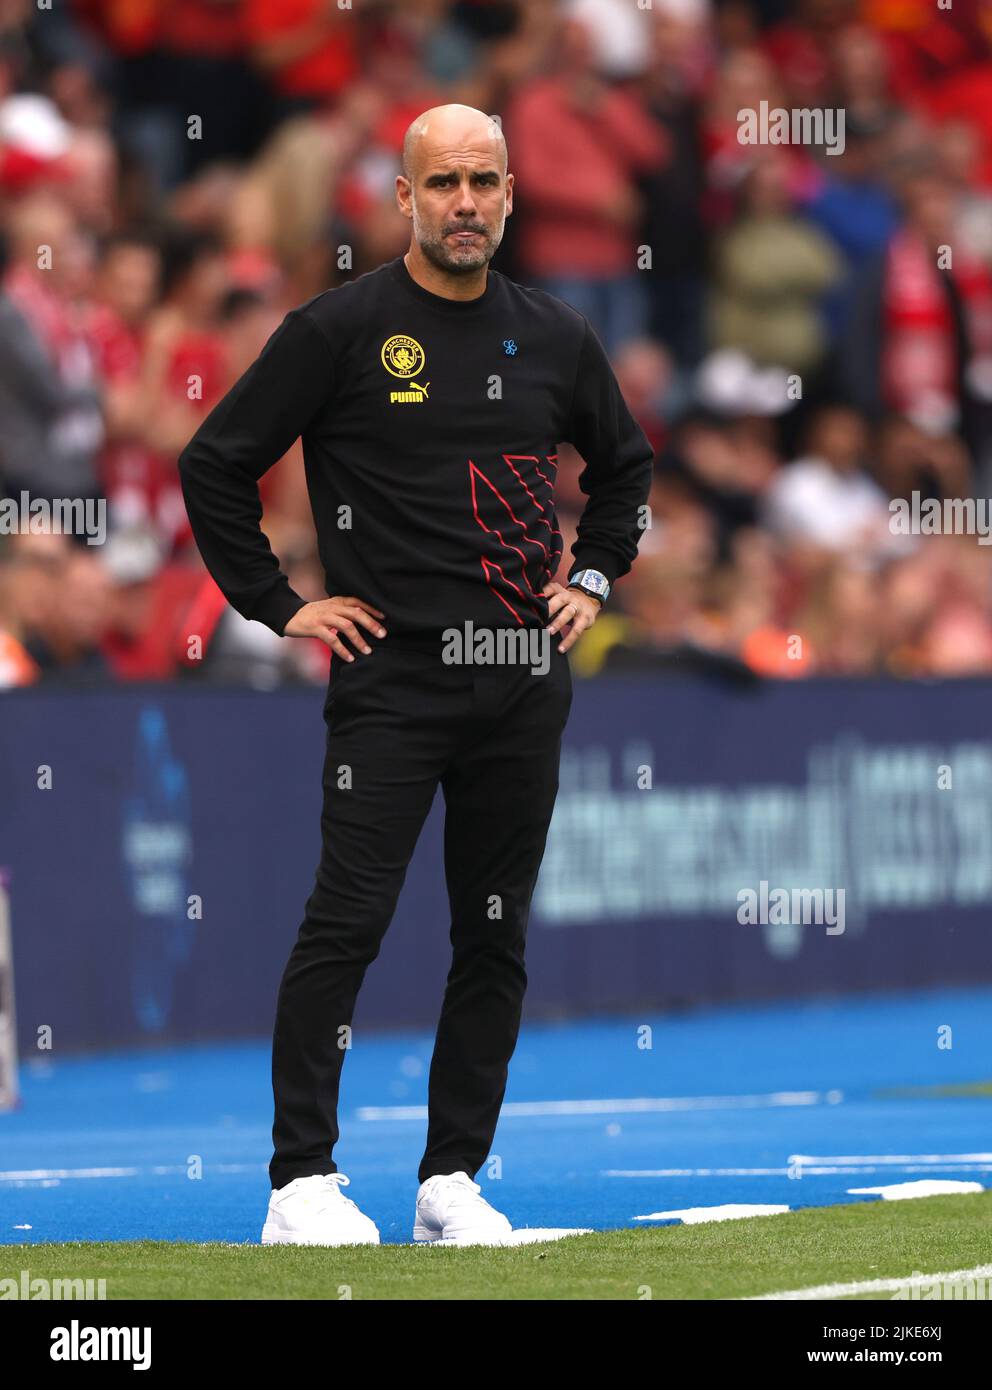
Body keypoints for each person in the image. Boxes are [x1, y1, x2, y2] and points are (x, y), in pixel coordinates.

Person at [178, 103, 652, 1246]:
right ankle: (299, 1184)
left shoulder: (554, 336)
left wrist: (590, 576)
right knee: (346, 920)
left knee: (493, 932)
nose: (465, 204)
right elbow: (215, 462)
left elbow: (626, 470)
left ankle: (452, 1178)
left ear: (508, 195)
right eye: (442, 184)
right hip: (390, 681)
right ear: (400, 198)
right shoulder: (337, 331)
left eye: (484, 182)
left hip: (521, 683)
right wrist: (280, 604)